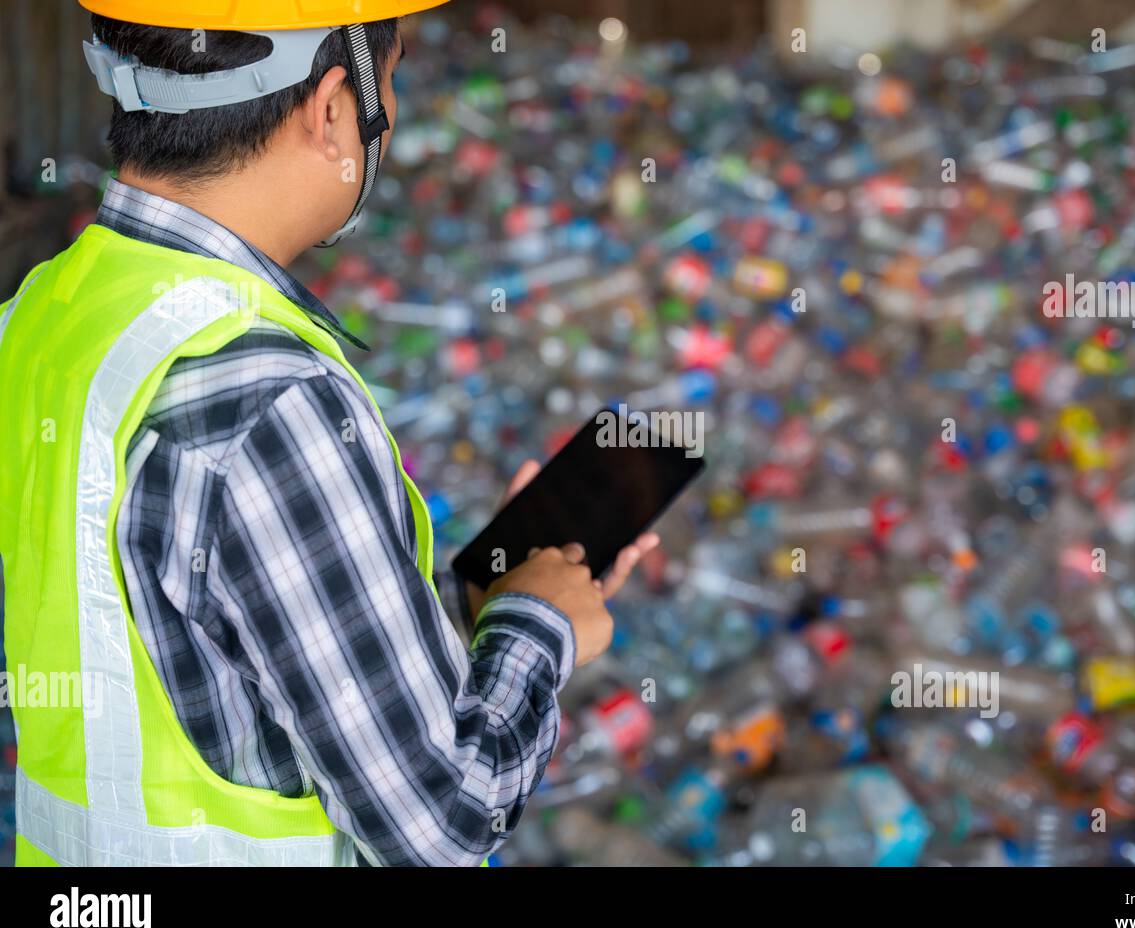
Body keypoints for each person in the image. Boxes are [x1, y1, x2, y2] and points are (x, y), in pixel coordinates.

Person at [0, 0, 656, 866]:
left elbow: (174, 636)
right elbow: (441, 825)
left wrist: (458, 612)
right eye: (396, 77)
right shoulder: (269, 399)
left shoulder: (38, 315)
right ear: (334, 108)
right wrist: (540, 619)